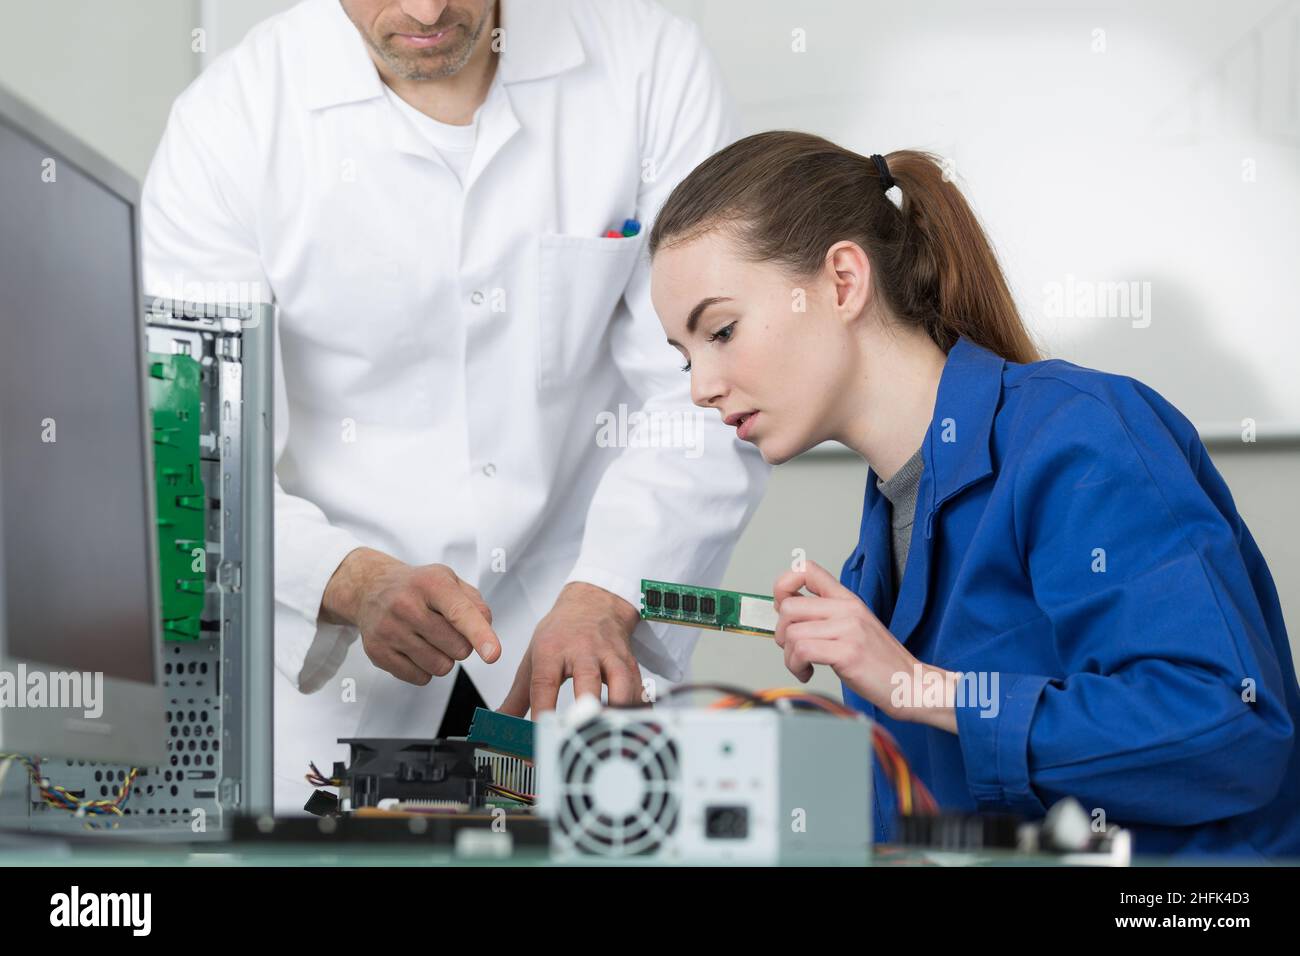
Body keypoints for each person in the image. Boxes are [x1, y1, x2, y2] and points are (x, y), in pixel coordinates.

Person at [141, 0, 767, 811]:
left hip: (571, 633)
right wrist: (346, 578)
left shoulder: (650, 66)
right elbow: (194, 453)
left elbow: (711, 382)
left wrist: (612, 583)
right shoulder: (228, 123)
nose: (426, 9)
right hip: (339, 672)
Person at [647, 130, 1300, 857]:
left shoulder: (1081, 437)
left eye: (722, 331)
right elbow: (922, 817)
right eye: (684, 358)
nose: (702, 387)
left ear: (841, 282)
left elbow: (1228, 731)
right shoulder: (872, 569)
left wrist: (924, 688)